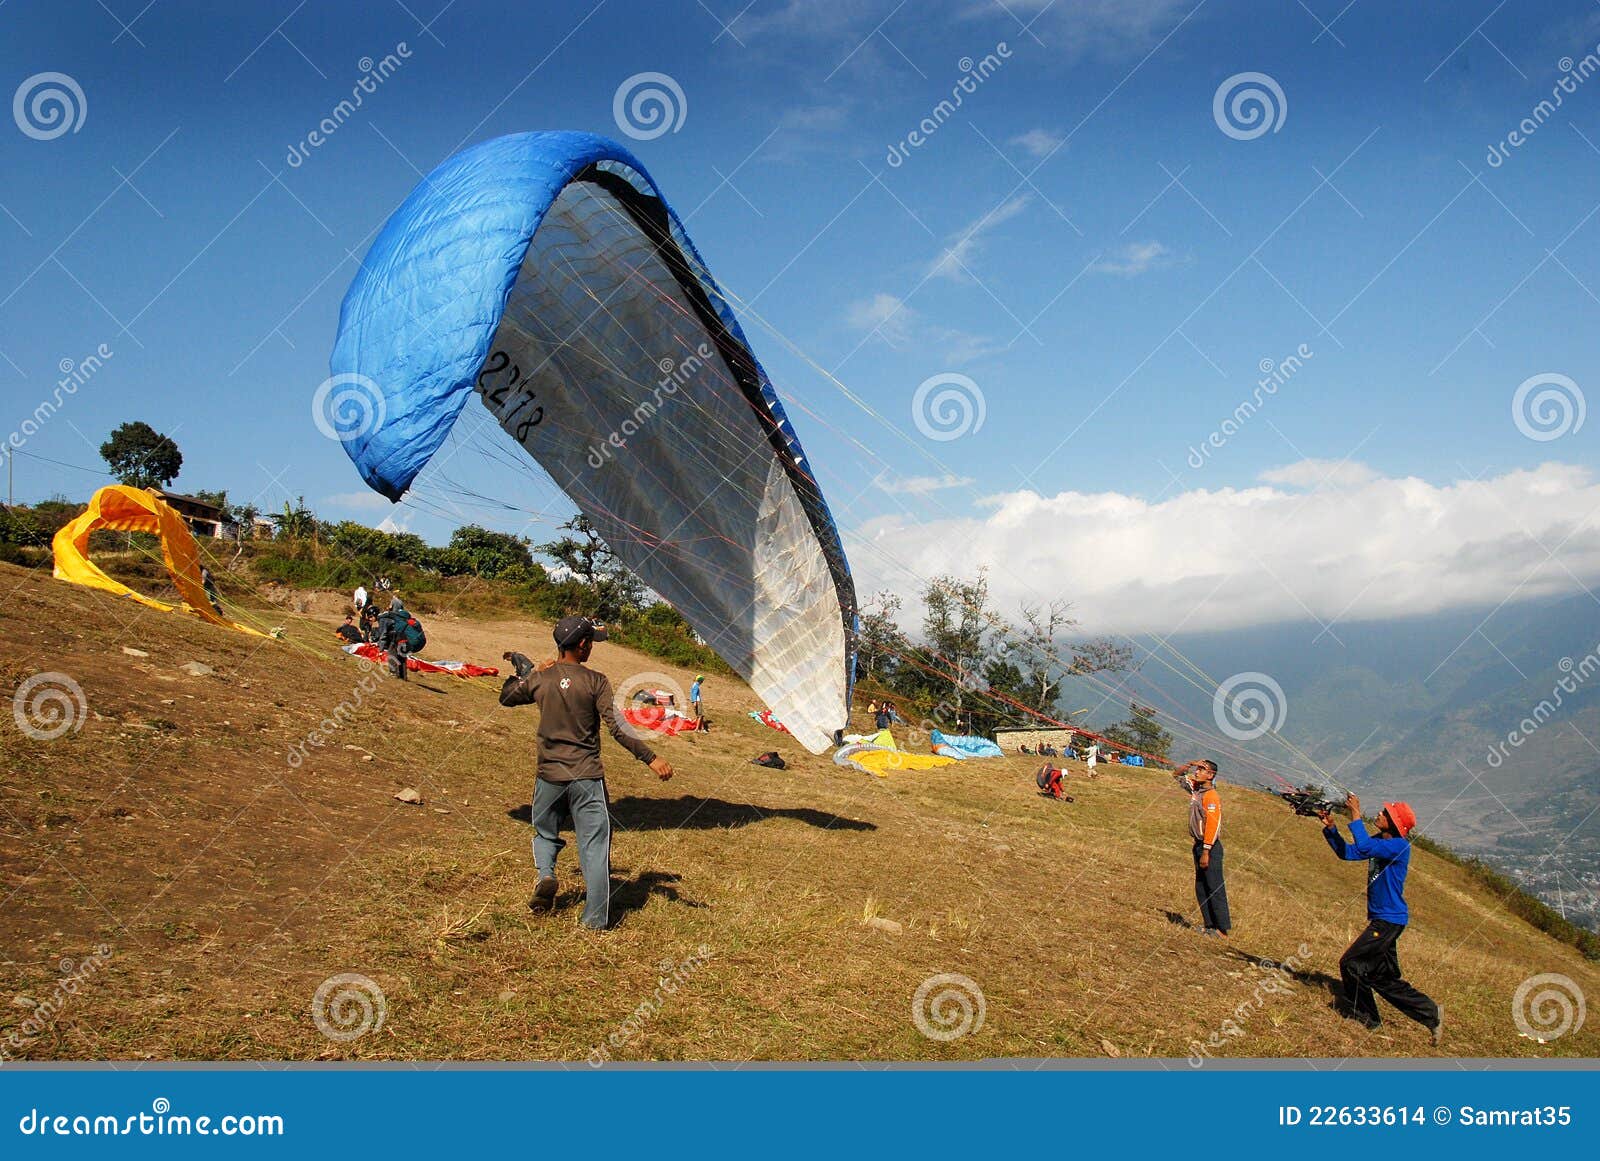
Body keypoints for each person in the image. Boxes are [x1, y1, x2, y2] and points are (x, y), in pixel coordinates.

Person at [499, 616, 674, 930]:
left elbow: (508, 697)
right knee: (594, 846)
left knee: (545, 833)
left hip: (549, 775)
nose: (592, 646)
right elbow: (618, 729)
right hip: (586, 777)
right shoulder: (596, 681)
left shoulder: (543, 677)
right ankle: (594, 920)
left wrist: (532, 672)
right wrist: (650, 757)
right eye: (590, 641)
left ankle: (547, 874)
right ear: (582, 645)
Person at [1319, 795, 1441, 1042]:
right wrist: (1331, 828)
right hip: (1385, 920)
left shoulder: (1398, 846)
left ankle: (1366, 1019)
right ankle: (1431, 1012)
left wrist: (1355, 814)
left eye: (1385, 814)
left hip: (1388, 921)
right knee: (1379, 977)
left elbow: (1362, 847)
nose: (1379, 815)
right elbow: (1350, 853)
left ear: (1394, 823)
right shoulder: (1380, 841)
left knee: (1351, 964)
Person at [1177, 759, 1229, 937]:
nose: (1197, 772)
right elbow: (1177, 775)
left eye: (1201, 769)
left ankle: (1222, 929)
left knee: (1214, 886)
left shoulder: (1211, 796)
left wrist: (1206, 851)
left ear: (1210, 775)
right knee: (1201, 886)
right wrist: (1189, 764)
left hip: (1210, 847)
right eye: (1197, 769)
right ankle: (1209, 925)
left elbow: (1213, 826)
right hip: (1198, 845)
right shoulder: (1196, 790)